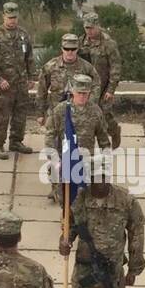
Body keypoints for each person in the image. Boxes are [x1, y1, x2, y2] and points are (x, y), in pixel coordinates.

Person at [0, 2, 36, 159]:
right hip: (3, 85)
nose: (12, 20)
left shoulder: (23, 35)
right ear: (3, 16)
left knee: (20, 115)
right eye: (9, 17)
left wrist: (32, 76)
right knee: (1, 116)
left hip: (20, 83)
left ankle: (16, 142)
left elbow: (30, 57)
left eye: (14, 17)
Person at [45, 75, 109, 204]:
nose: (82, 96)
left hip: (86, 158)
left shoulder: (96, 111)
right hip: (64, 159)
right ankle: (58, 190)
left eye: (86, 93)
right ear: (72, 91)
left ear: (90, 93)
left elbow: (103, 137)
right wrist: (54, 158)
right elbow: (50, 135)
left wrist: (106, 158)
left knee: (87, 196)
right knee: (65, 198)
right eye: (79, 93)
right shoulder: (61, 110)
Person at [79, 11, 122, 148]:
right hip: (86, 87)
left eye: (91, 28)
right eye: (86, 28)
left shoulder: (108, 44)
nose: (89, 31)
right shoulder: (81, 42)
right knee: (86, 115)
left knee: (104, 115)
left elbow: (115, 67)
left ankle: (114, 131)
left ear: (98, 26)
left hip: (103, 88)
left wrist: (111, 89)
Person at [36, 35, 94, 126]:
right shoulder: (50, 66)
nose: (70, 52)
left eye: (73, 49)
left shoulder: (86, 67)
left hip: (79, 114)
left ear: (77, 49)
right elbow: (41, 90)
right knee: (52, 139)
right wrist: (40, 113)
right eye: (66, 49)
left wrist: (90, 106)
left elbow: (96, 86)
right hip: (55, 112)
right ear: (62, 49)